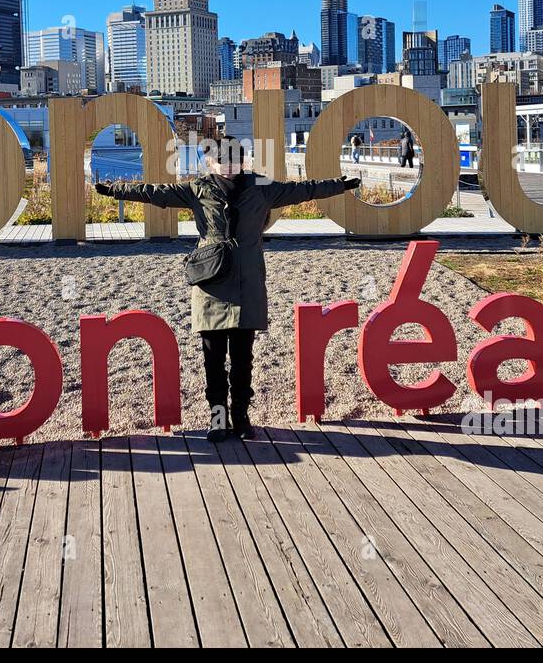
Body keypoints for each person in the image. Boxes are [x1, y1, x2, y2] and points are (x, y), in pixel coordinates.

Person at [95, 138, 360, 442]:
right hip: (212, 282)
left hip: (247, 282)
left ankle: (242, 418)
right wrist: (116, 189)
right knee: (213, 357)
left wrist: (340, 185)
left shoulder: (262, 186)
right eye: (224, 160)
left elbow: (304, 190)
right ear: (210, 162)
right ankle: (218, 419)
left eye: (236, 160)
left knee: (243, 357)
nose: (230, 166)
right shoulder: (198, 188)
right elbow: (157, 194)